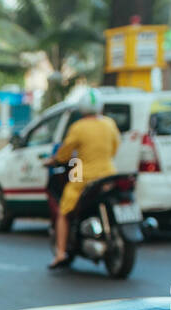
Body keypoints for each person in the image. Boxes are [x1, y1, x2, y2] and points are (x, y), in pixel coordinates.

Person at [46, 88, 120, 269]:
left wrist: (54, 160)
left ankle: (61, 252)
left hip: (84, 177)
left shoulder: (78, 127)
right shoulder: (109, 124)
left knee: (63, 212)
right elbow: (114, 147)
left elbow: (64, 154)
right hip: (110, 174)